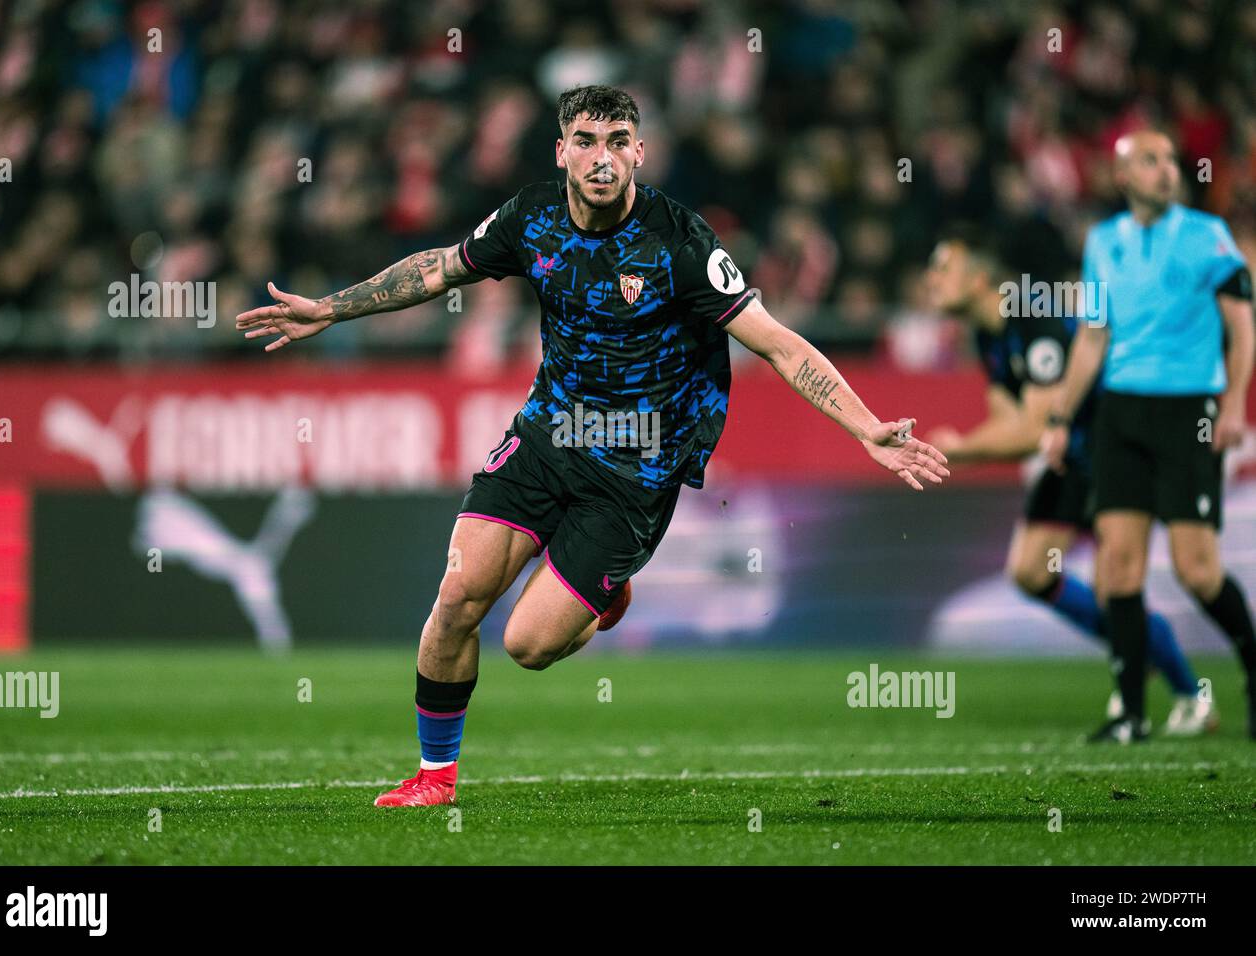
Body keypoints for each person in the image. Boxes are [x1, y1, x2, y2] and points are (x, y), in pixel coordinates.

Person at [236, 85, 950, 805]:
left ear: (640, 151)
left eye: (617, 141)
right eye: (585, 140)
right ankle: (434, 778)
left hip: (639, 465)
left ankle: (603, 594)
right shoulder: (532, 216)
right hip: (549, 434)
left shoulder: (682, 241)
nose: (601, 157)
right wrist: (329, 310)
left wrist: (867, 428)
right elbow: (440, 268)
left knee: (528, 646)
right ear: (562, 151)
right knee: (456, 599)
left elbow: (777, 344)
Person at [925, 230, 1210, 734]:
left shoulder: (1033, 314)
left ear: (980, 278)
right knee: (1032, 571)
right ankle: (1135, 648)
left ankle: (1188, 693)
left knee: (1113, 587)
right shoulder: (989, 334)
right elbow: (1009, 423)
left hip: (1110, 448)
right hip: (1070, 460)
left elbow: (1035, 428)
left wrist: (959, 447)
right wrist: (959, 450)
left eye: (943, 268)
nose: (931, 280)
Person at [1041, 130, 1255, 742]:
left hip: (1188, 411)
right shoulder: (1103, 241)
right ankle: (1131, 713)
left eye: (1169, 160)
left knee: (1197, 569)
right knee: (1118, 567)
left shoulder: (1207, 235)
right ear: (1122, 177)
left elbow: (1243, 327)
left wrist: (1234, 402)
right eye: (1149, 161)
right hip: (1121, 414)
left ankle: (1252, 664)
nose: (1166, 170)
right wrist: (1061, 418)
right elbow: (1092, 337)